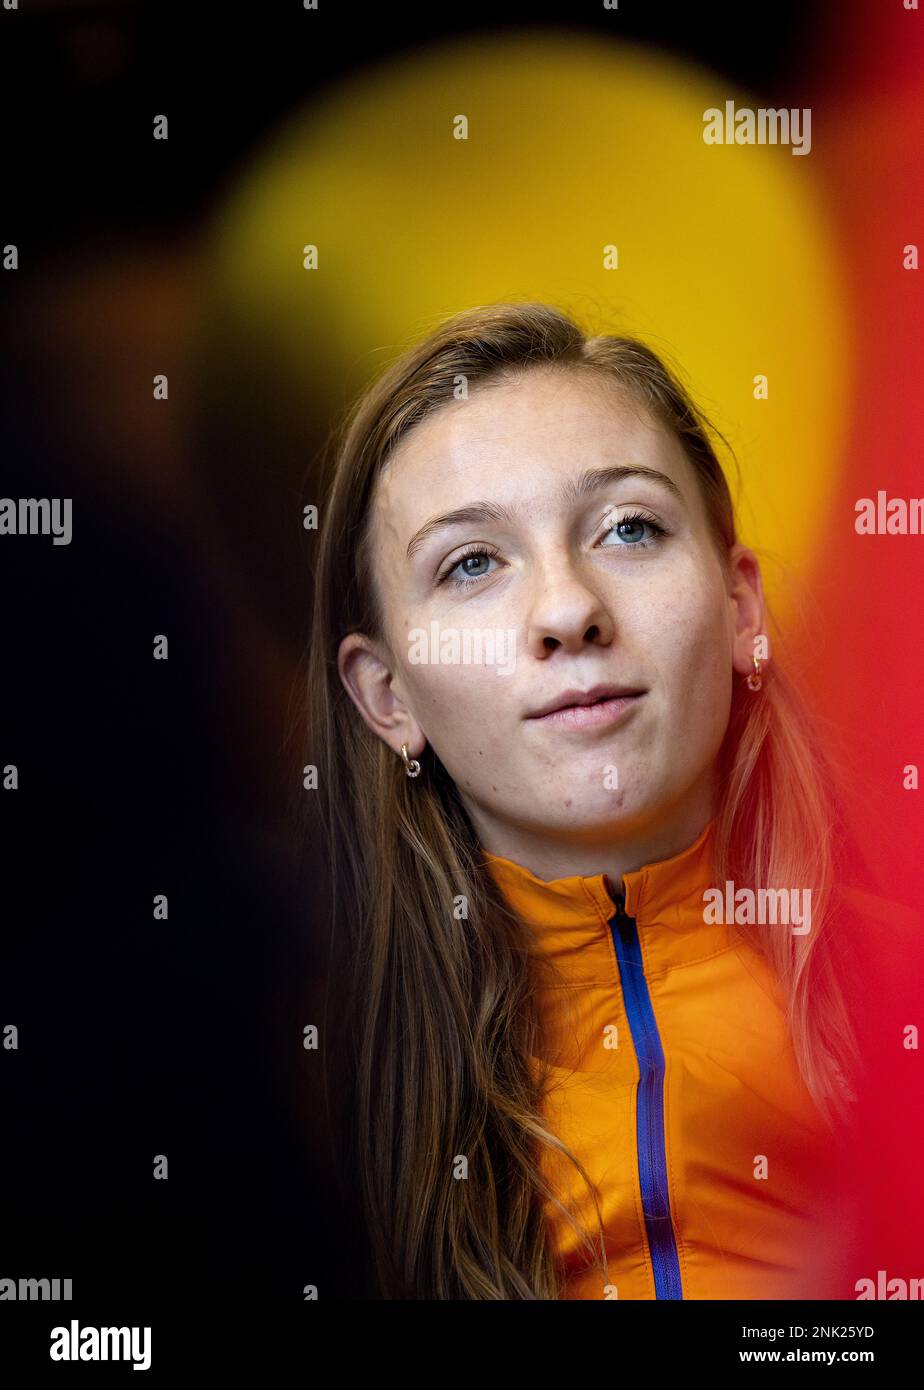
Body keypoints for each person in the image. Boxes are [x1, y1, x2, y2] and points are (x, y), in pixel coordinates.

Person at [300, 301, 911, 1300]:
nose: (569, 609)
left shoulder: (909, 999)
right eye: (472, 563)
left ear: (740, 606)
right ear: (387, 695)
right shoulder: (306, 1107)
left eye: (628, 528)